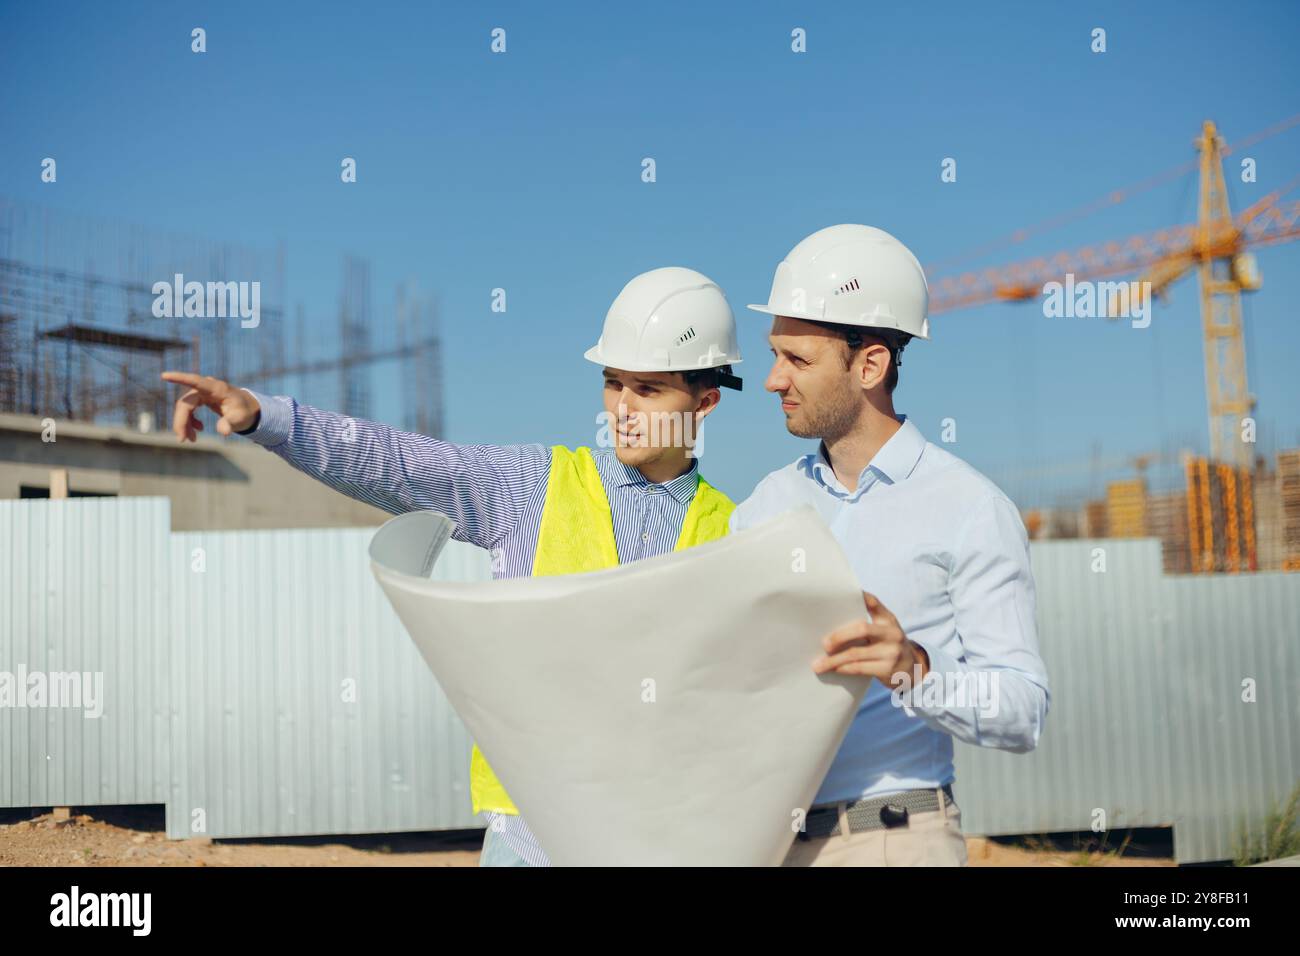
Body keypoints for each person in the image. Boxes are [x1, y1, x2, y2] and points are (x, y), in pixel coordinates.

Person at [162, 266, 743, 867]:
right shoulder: (535, 485)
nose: (621, 407)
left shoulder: (738, 528)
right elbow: (400, 462)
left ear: (704, 401)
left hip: (664, 839)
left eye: (647, 390)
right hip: (531, 836)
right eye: (612, 383)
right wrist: (268, 417)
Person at [730, 224, 1050, 866]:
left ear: (870, 363)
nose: (772, 380)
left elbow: (1022, 707)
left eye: (797, 359)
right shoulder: (764, 507)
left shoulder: (970, 509)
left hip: (894, 841)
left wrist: (913, 670)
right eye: (775, 355)